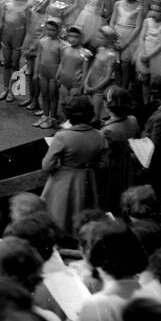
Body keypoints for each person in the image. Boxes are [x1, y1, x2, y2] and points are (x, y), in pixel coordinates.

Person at [40, 96, 109, 233]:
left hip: (64, 178)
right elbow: (103, 164)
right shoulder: (99, 136)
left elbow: (47, 165)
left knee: (60, 211)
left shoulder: (62, 136)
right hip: (87, 178)